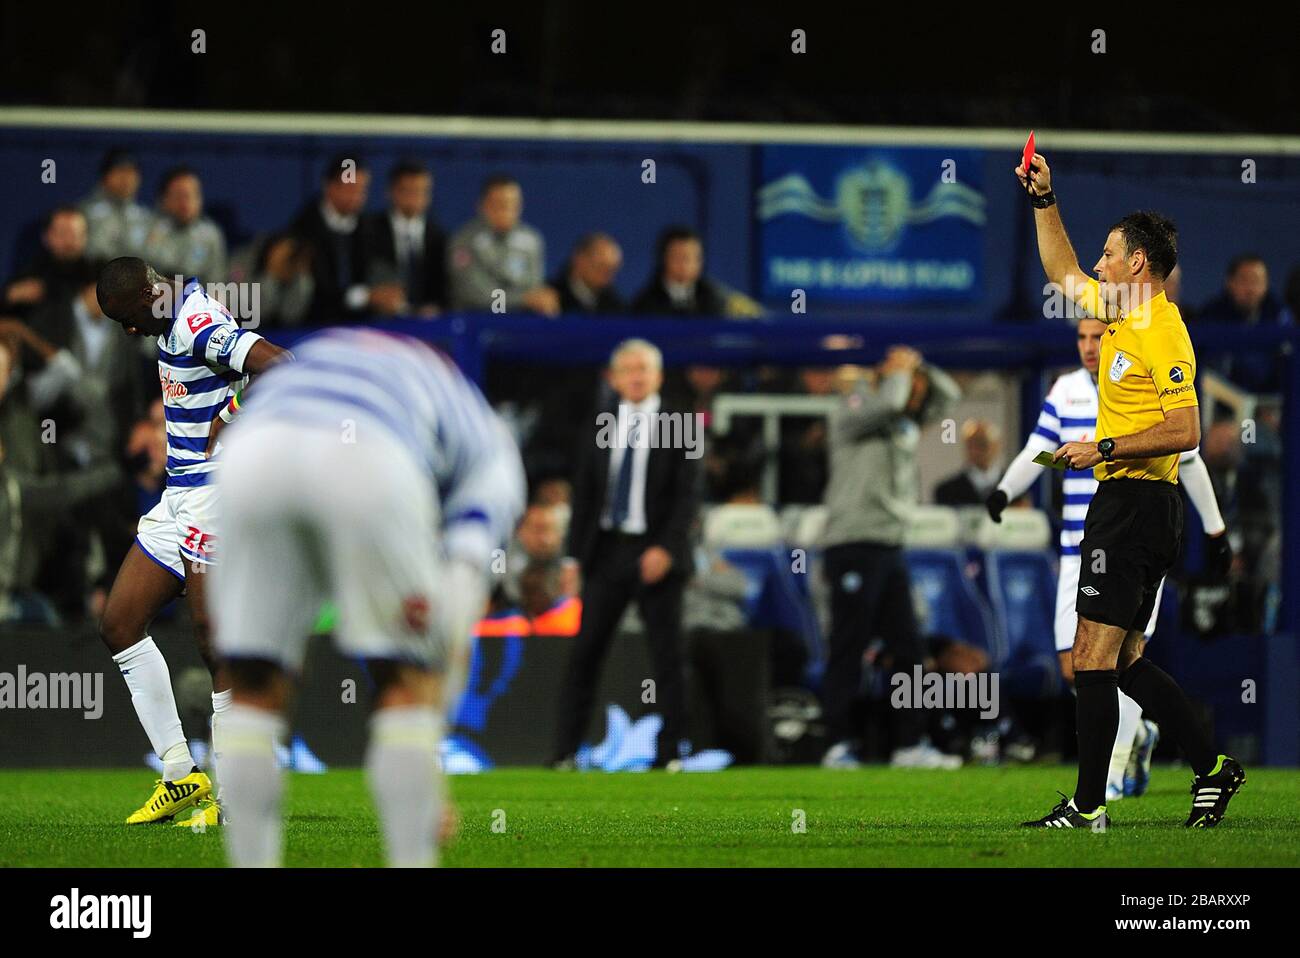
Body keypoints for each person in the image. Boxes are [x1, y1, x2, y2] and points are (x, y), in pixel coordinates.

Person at [211, 327, 524, 867]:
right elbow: (463, 580)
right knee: (407, 679)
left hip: (251, 452)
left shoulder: (357, 356)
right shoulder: (488, 439)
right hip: (368, 455)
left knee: (253, 687)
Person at [1016, 149, 1245, 829]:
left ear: (1138, 264)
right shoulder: (1117, 308)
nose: (1100, 264)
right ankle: (1212, 766)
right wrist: (1043, 198)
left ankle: (1089, 806)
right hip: (1126, 505)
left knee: (1091, 655)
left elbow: (1186, 427)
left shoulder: (1161, 329)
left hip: (1138, 506)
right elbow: (1060, 269)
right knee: (1123, 659)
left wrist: (1103, 447)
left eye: (1111, 255)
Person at [988, 315, 1231, 801]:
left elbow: (1189, 453)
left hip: (1129, 530)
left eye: (1097, 336)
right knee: (1089, 664)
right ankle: (1190, 758)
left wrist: (1216, 528)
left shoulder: (1137, 378)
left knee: (1109, 660)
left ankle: (1107, 785)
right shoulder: (1067, 389)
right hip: (1088, 539)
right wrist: (1003, 491)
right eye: (1081, 337)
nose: (1089, 346)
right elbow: (1038, 448)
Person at [94, 256, 290, 826]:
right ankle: (180, 775)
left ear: (145, 302)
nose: (130, 332)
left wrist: (231, 412)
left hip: (217, 497)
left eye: (127, 320)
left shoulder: (197, 322)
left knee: (214, 641)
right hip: (179, 496)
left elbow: (281, 365)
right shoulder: (174, 309)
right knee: (120, 623)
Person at [553, 338, 698, 768]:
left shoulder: (681, 422)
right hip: (607, 551)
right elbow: (586, 494)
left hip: (656, 553)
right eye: (627, 369)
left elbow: (689, 495)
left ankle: (671, 753)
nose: (635, 377)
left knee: (668, 656)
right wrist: (572, 559)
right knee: (585, 654)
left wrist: (667, 549)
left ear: (659, 376)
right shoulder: (601, 422)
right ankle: (564, 753)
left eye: (643, 369)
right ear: (614, 378)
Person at [819, 350, 963, 768]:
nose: (915, 393)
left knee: (909, 648)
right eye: (908, 384)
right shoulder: (854, 407)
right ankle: (837, 744)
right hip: (852, 543)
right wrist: (896, 372)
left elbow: (948, 396)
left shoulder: (902, 420)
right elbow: (889, 402)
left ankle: (909, 745)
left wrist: (920, 365)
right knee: (849, 645)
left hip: (890, 545)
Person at [289, 154, 396, 324]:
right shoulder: (303, 230)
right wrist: (365, 297)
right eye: (351, 189)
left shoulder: (371, 228)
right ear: (329, 187)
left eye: (362, 190)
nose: (357, 197)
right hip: (313, 328)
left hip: (362, 330)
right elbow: (310, 292)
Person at [448, 174, 558, 315]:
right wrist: (522, 300)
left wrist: (536, 300)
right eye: (500, 204)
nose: (507, 211)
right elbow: (473, 295)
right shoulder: (463, 242)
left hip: (520, 323)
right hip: (475, 322)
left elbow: (534, 288)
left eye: (513, 204)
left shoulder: (532, 240)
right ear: (482, 205)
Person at [361, 160, 448, 315]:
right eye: (408, 191)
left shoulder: (438, 237)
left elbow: (444, 288)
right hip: (378, 323)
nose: (415, 198)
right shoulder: (368, 230)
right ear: (391, 192)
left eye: (421, 191)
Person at [631, 226, 762, 317]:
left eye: (694, 258)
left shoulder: (716, 297)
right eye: (680, 257)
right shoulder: (645, 304)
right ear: (663, 259)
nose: (686, 265)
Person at [143, 167, 229, 282]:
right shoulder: (147, 228)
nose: (185, 202)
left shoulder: (210, 236)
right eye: (179, 195)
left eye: (192, 194)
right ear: (164, 199)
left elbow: (217, 283)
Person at [4, 207, 93, 315]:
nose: (69, 241)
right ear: (46, 237)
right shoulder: (29, 274)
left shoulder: (100, 274)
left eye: (76, 234)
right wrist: (9, 298)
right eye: (62, 233)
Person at [80, 148, 152, 263]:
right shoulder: (84, 212)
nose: (126, 178)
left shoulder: (146, 217)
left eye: (131, 172)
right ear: (105, 176)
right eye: (120, 171)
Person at [551, 233, 625, 314]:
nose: (607, 276)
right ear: (579, 260)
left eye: (612, 270)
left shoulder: (616, 306)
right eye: (600, 267)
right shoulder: (548, 296)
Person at [934, 419, 1003, 506]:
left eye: (982, 444)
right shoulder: (947, 491)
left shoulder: (1015, 488)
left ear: (997, 447)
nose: (975, 451)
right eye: (971, 445)